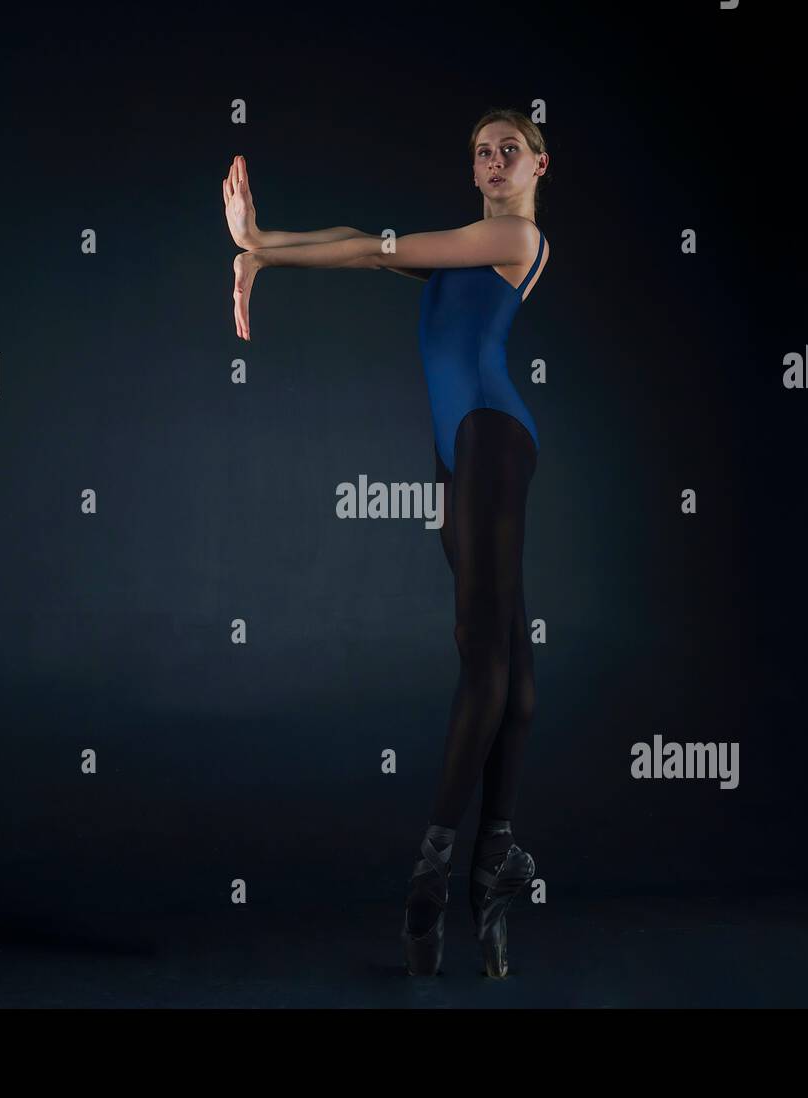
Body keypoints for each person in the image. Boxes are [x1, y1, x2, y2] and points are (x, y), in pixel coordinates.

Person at [223, 109, 550, 978]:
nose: (491, 161)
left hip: (493, 437)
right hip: (458, 456)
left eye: (507, 149)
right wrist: (265, 243)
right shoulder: (467, 247)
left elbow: (381, 248)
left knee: (488, 667)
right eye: (480, 150)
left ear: (537, 163)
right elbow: (366, 243)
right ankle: (495, 863)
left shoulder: (513, 233)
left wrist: (265, 250)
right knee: (512, 681)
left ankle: (431, 874)